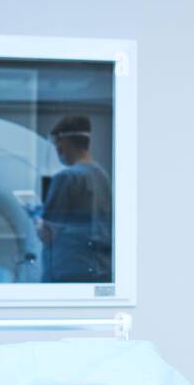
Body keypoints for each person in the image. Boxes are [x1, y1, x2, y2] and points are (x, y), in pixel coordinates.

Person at [38, 115, 112, 282]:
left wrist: (33, 215)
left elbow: (47, 234)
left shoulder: (66, 178)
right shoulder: (102, 176)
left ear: (62, 142)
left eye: (56, 142)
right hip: (99, 270)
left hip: (67, 273)